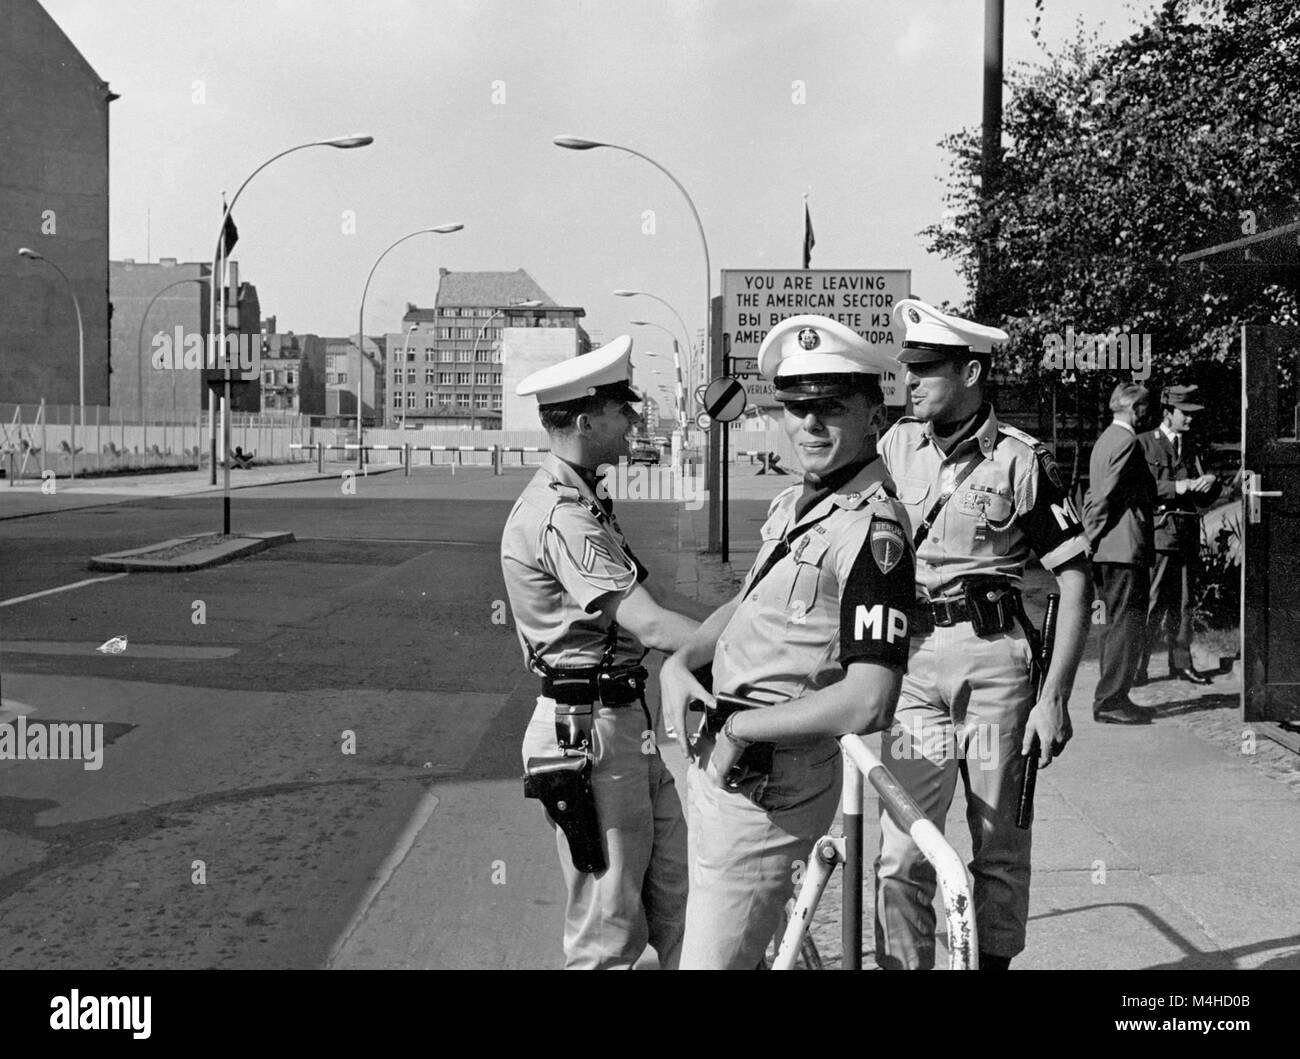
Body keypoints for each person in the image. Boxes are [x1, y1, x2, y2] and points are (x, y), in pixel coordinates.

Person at [659, 314, 915, 969]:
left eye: (831, 406)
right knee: (753, 945)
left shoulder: (873, 534)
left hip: (767, 785)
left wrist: (744, 728)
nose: (810, 424)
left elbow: (868, 700)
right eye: (796, 407)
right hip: (727, 767)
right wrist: (683, 661)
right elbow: (746, 609)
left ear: (872, 415)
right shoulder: (795, 502)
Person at [875, 299, 1093, 971]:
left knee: (999, 844)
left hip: (994, 662)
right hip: (912, 665)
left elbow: (1077, 580)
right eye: (906, 370)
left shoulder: (1021, 462)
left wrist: (1054, 697)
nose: (908, 384)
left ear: (970, 372)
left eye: (926, 371)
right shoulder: (893, 447)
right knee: (902, 848)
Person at [501, 335, 700, 969]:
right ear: (587, 421)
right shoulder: (563, 516)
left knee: (678, 895)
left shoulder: (585, 498)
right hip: (586, 733)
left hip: (622, 722)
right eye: (623, 409)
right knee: (608, 928)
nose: (635, 420)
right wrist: (752, 641)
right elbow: (652, 626)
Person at [1083, 382, 1159, 723]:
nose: (1148, 414)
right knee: (1127, 625)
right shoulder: (1127, 442)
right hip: (1123, 548)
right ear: (1134, 409)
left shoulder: (1106, 439)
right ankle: (1111, 700)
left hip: (1110, 549)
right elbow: (1105, 495)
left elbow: (1093, 492)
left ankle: (1113, 696)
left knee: (1114, 625)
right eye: (1145, 408)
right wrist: (1089, 537)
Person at [1136, 384, 1222, 685]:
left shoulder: (1193, 446)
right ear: (1168, 412)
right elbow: (1139, 489)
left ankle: (1182, 663)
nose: (1190, 420)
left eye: (1192, 414)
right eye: (1185, 414)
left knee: (1184, 605)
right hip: (1159, 536)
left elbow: (1204, 497)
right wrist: (1178, 488)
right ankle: (1137, 667)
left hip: (1186, 535)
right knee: (1153, 602)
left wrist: (1211, 482)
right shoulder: (1144, 444)